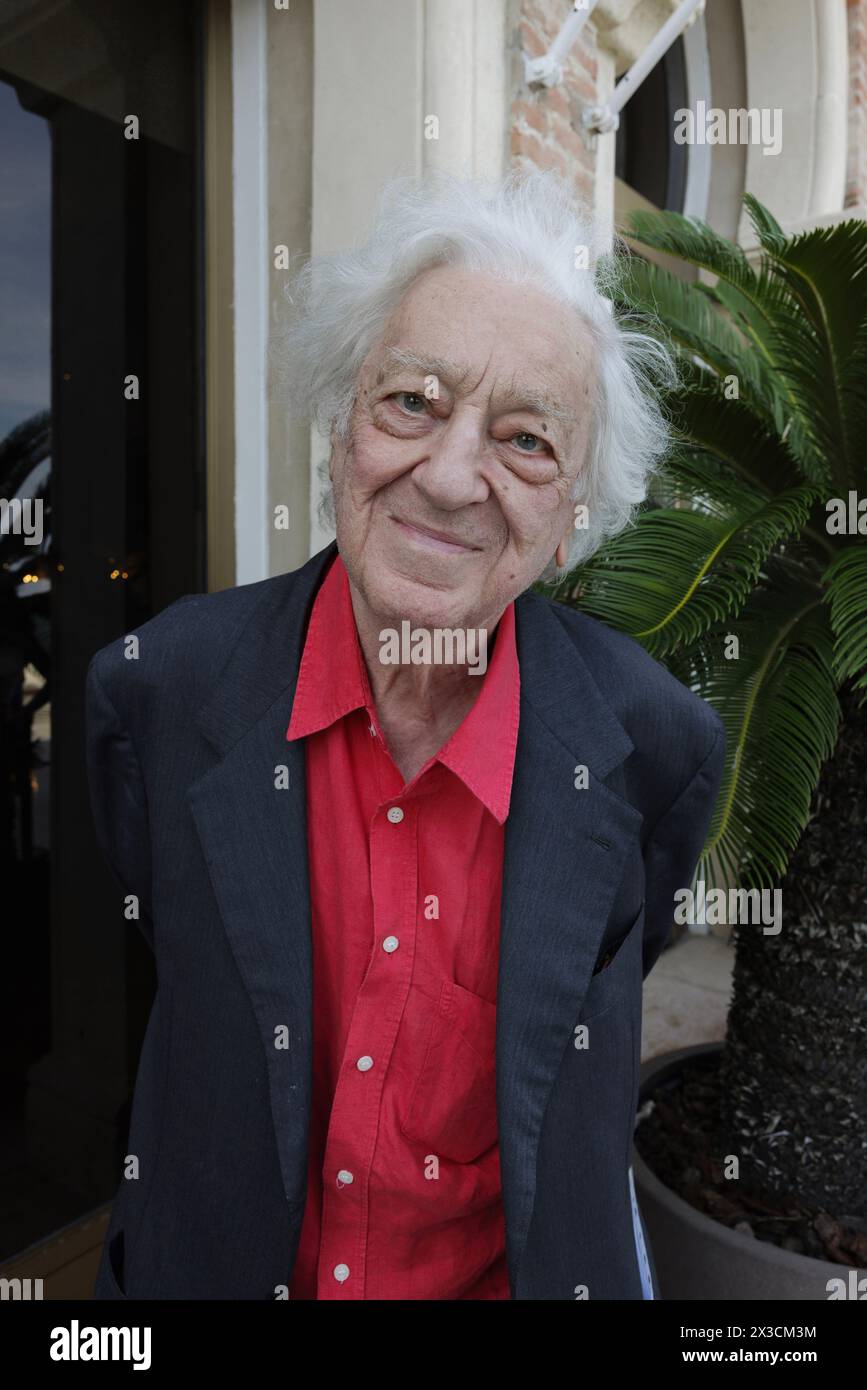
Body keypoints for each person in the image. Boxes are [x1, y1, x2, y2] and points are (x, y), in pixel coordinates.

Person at [86, 169, 725, 1300]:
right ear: (342, 423)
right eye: (413, 403)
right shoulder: (162, 691)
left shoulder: (651, 742)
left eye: (525, 440)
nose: (448, 475)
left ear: (575, 517)